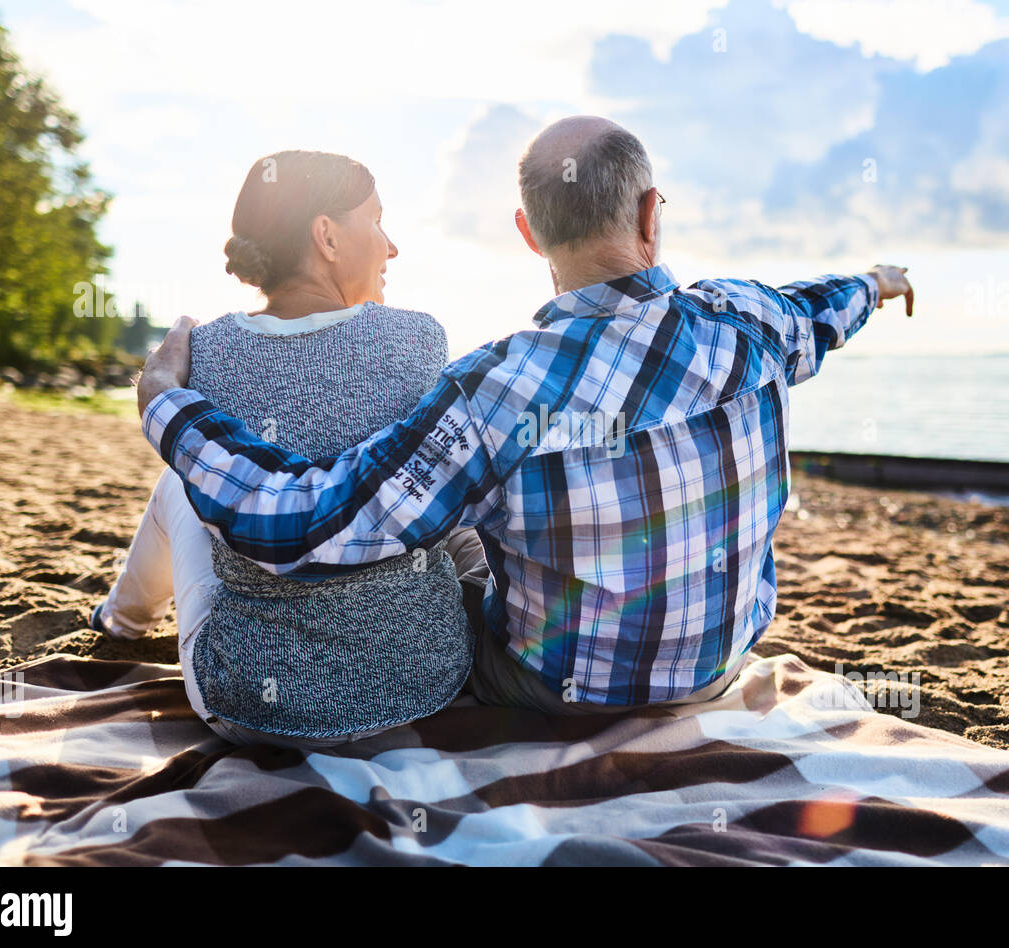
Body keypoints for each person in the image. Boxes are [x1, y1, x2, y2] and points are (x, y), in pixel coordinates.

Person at [136, 116, 915, 716]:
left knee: (452, 502)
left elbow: (297, 528)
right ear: (650, 213)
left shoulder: (498, 388)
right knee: (472, 505)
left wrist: (170, 409)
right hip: (719, 666)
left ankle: (122, 612)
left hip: (555, 690)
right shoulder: (753, 319)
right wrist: (878, 280)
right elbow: (826, 309)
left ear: (528, 232)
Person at [93, 150, 483, 747]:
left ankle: (121, 620)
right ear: (326, 235)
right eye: (377, 220)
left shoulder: (209, 351)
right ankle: (122, 617)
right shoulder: (417, 337)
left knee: (184, 478)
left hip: (256, 707)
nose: (392, 246)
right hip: (422, 688)